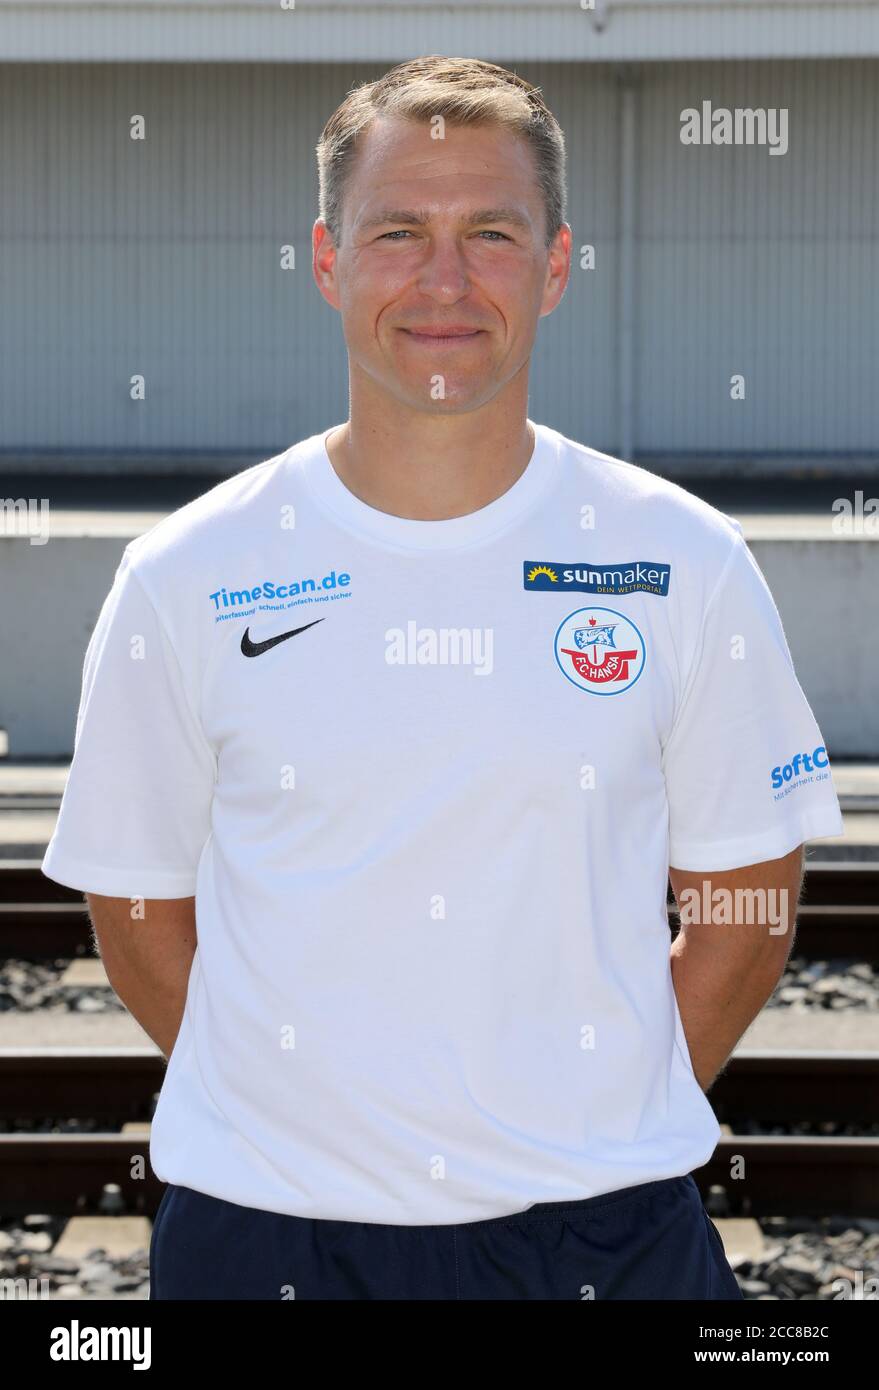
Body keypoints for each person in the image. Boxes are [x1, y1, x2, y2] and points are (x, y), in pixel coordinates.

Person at [42, 55, 845, 1301]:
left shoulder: (682, 560)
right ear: (325, 261)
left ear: (559, 265)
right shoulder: (186, 575)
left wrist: (597, 1115)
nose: (445, 281)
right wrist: (307, 1121)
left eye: (492, 234)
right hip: (268, 1238)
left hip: (607, 1237)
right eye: (399, 232)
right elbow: (138, 907)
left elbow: (749, 884)